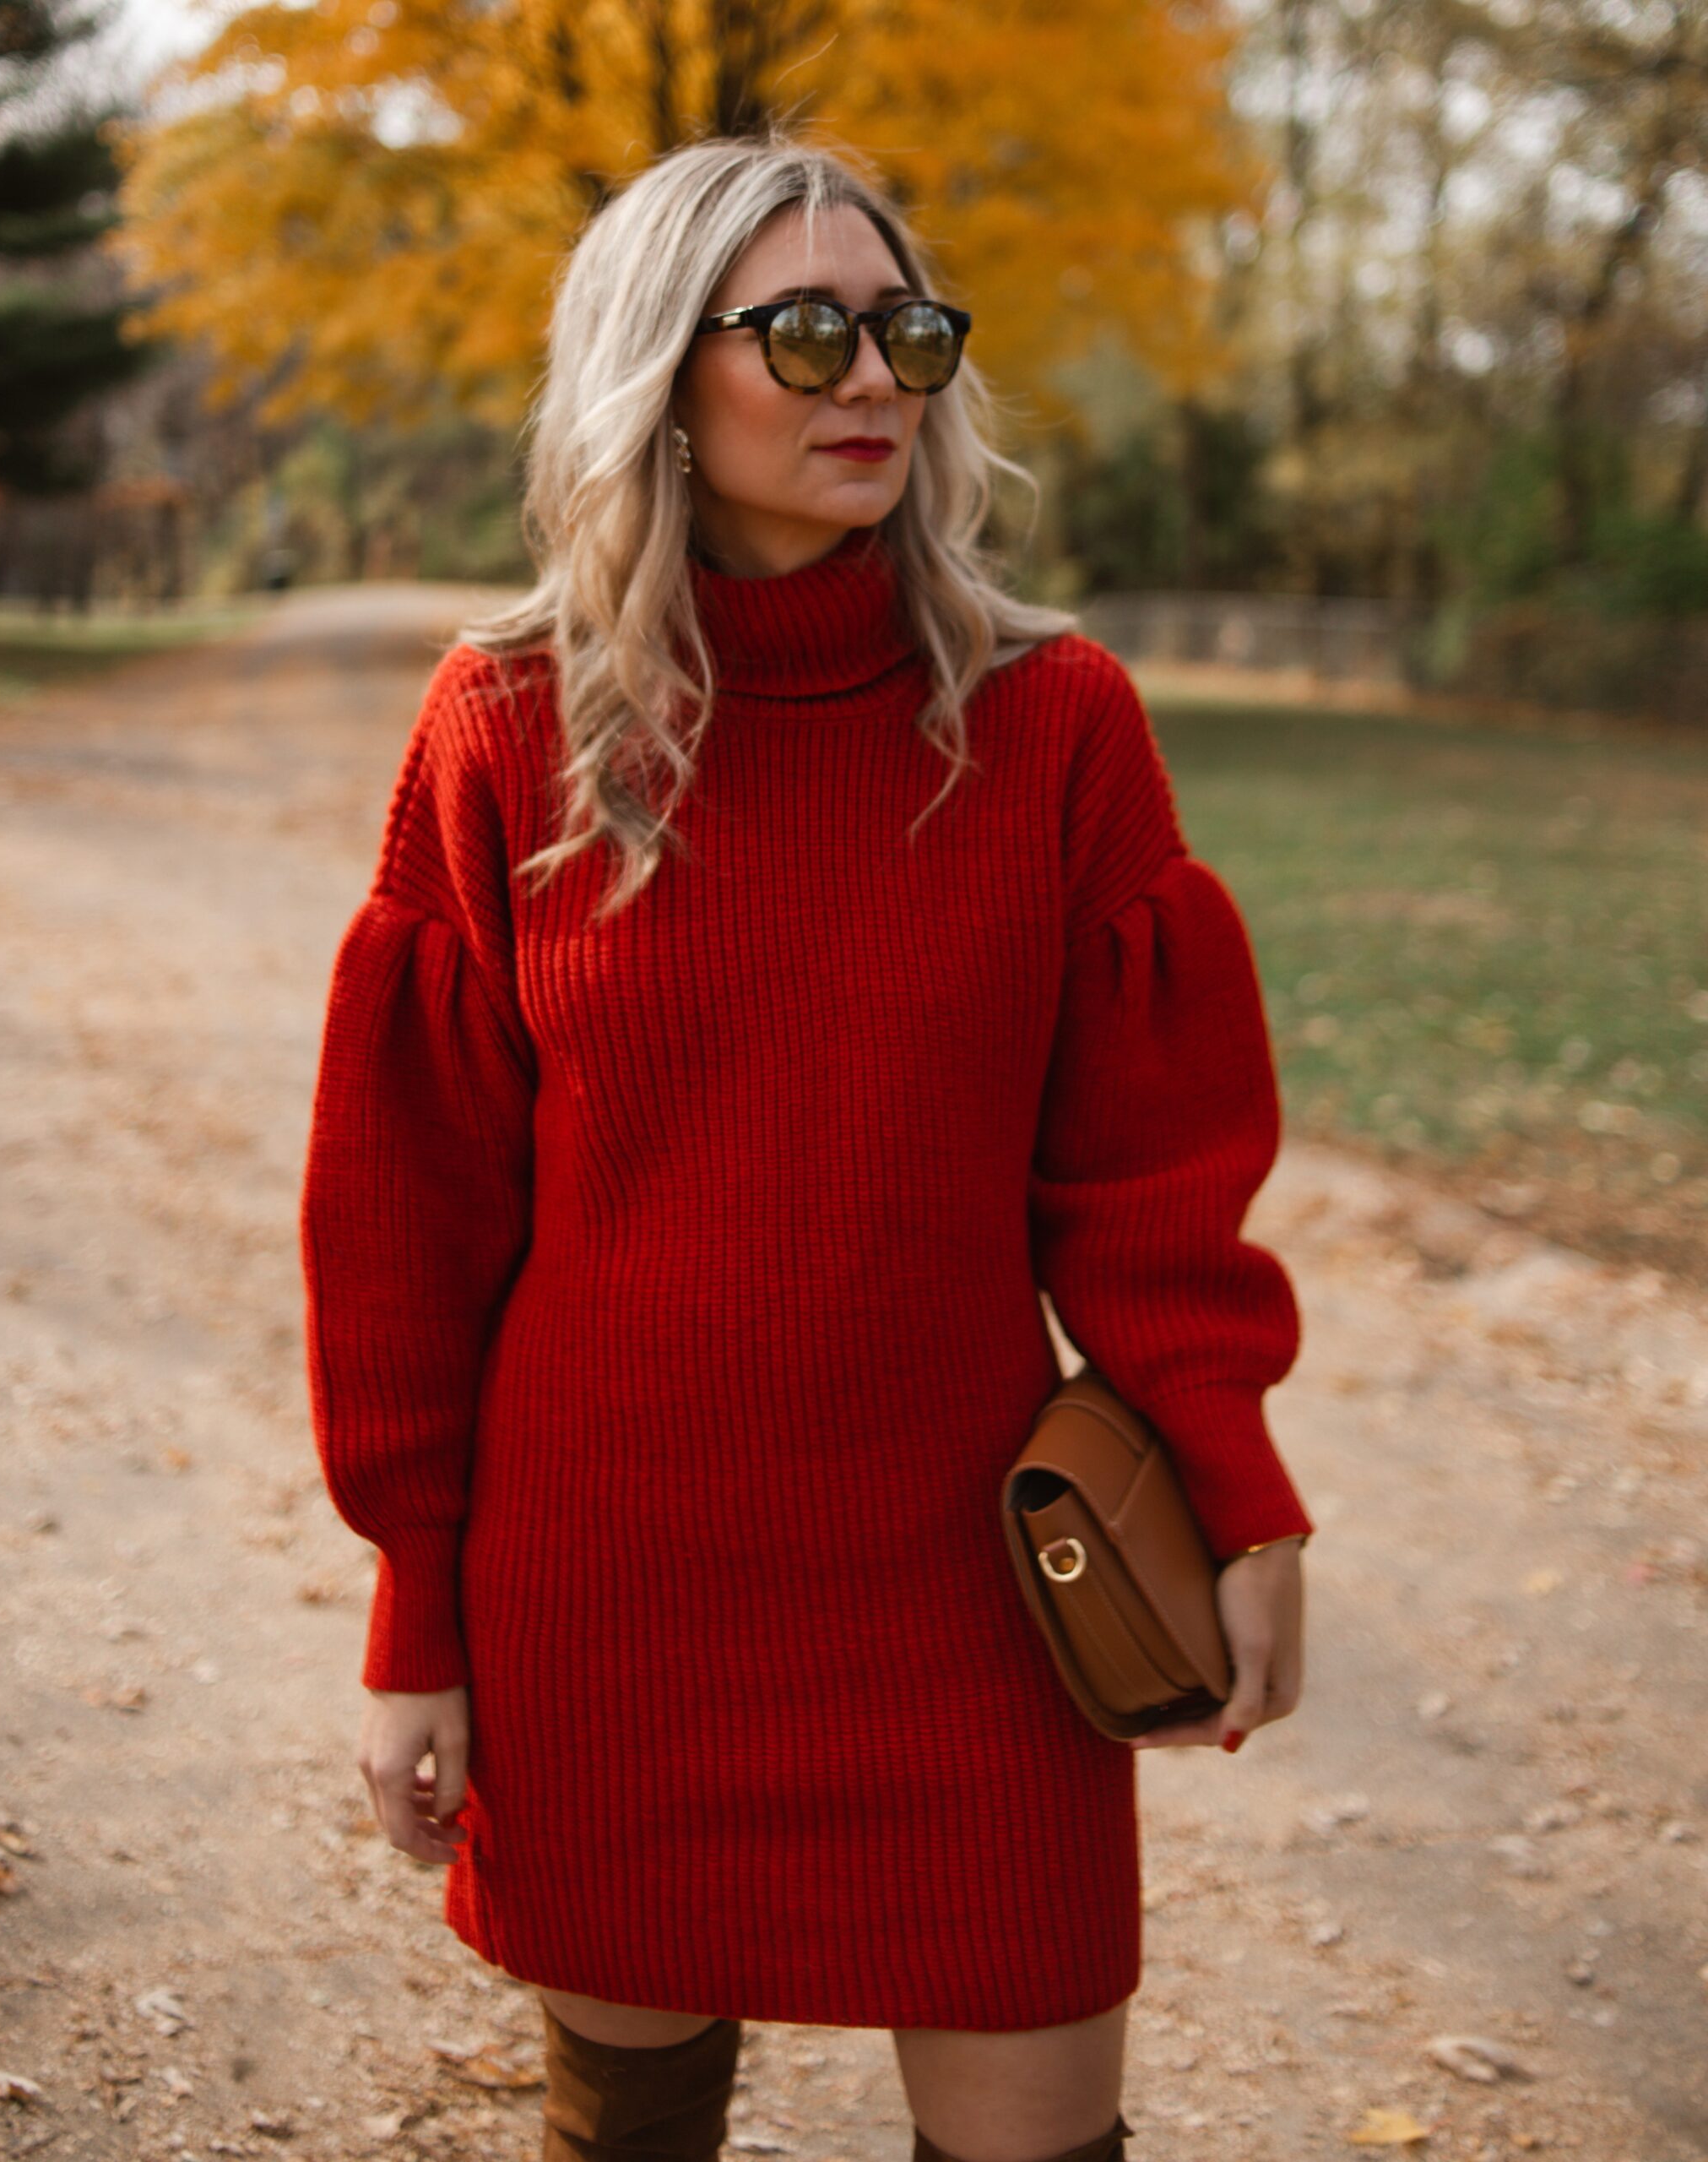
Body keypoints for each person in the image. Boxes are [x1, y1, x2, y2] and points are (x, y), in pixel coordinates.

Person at [300, 126, 1314, 2162]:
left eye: (907, 330)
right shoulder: (508, 727)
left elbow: (1148, 1172)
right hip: (609, 1591)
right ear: (660, 370)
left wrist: (1238, 1481)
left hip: (964, 1581)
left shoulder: (1054, 721)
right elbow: (408, 1216)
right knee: (632, 2130)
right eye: (807, 331)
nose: (873, 378)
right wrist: (419, 1603)